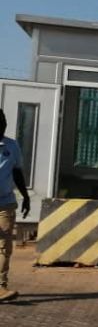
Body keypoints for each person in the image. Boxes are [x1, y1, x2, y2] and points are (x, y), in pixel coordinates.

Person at [0, 108, 31, 302]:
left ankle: (1, 287)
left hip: (5, 203)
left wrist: (25, 196)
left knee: (4, 245)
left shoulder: (11, 146)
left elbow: (17, 172)